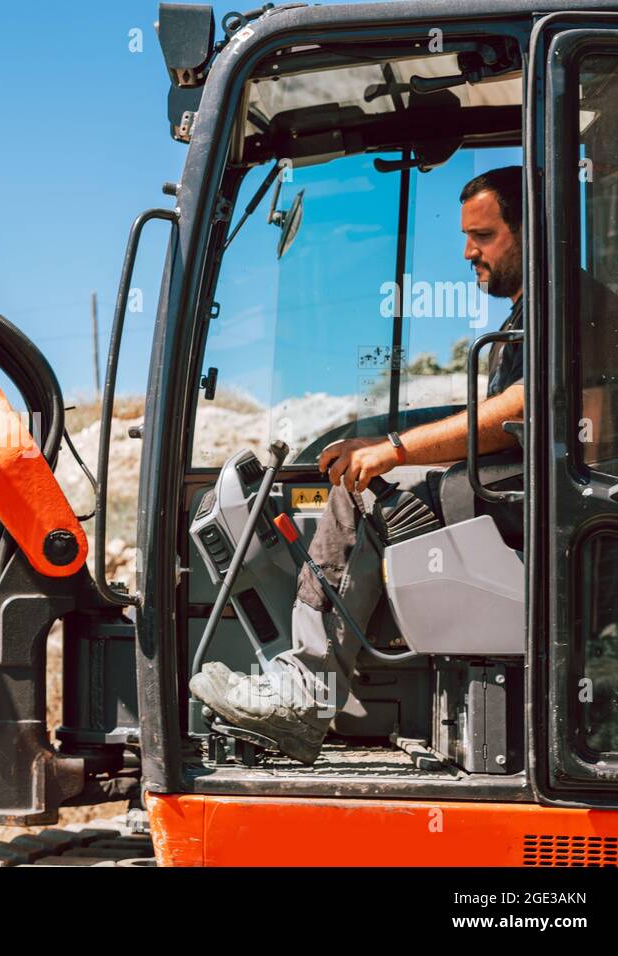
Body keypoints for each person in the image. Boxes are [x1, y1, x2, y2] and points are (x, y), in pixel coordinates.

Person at [190, 165, 533, 764]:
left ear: (532, 231)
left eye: (483, 235)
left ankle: (302, 696)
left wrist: (391, 452)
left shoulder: (563, 305)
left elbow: (520, 408)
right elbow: (494, 415)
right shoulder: (532, 313)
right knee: (369, 478)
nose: (466, 251)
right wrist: (379, 437)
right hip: (518, 488)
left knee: (363, 494)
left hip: (536, 499)